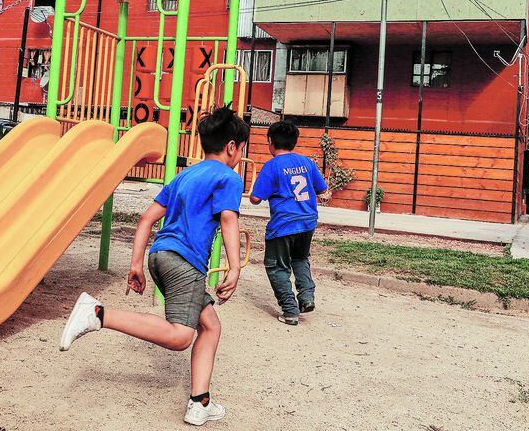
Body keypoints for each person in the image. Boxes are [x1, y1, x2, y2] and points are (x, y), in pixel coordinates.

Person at [60, 107, 249, 426]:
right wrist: (235, 267)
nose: (239, 156)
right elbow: (229, 219)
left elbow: (146, 218)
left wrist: (136, 264)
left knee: (211, 325)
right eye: (241, 150)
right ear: (232, 147)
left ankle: (200, 401)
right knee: (179, 336)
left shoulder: (185, 175)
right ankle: (97, 313)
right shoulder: (228, 177)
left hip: (159, 255)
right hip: (184, 262)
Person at [249, 120, 329, 326]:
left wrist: (254, 193)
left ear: (270, 142)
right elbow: (321, 189)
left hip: (283, 225)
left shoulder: (272, 166)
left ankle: (290, 310)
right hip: (308, 222)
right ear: (294, 141)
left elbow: (256, 198)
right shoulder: (307, 162)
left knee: (276, 267)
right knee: (300, 259)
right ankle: (307, 297)